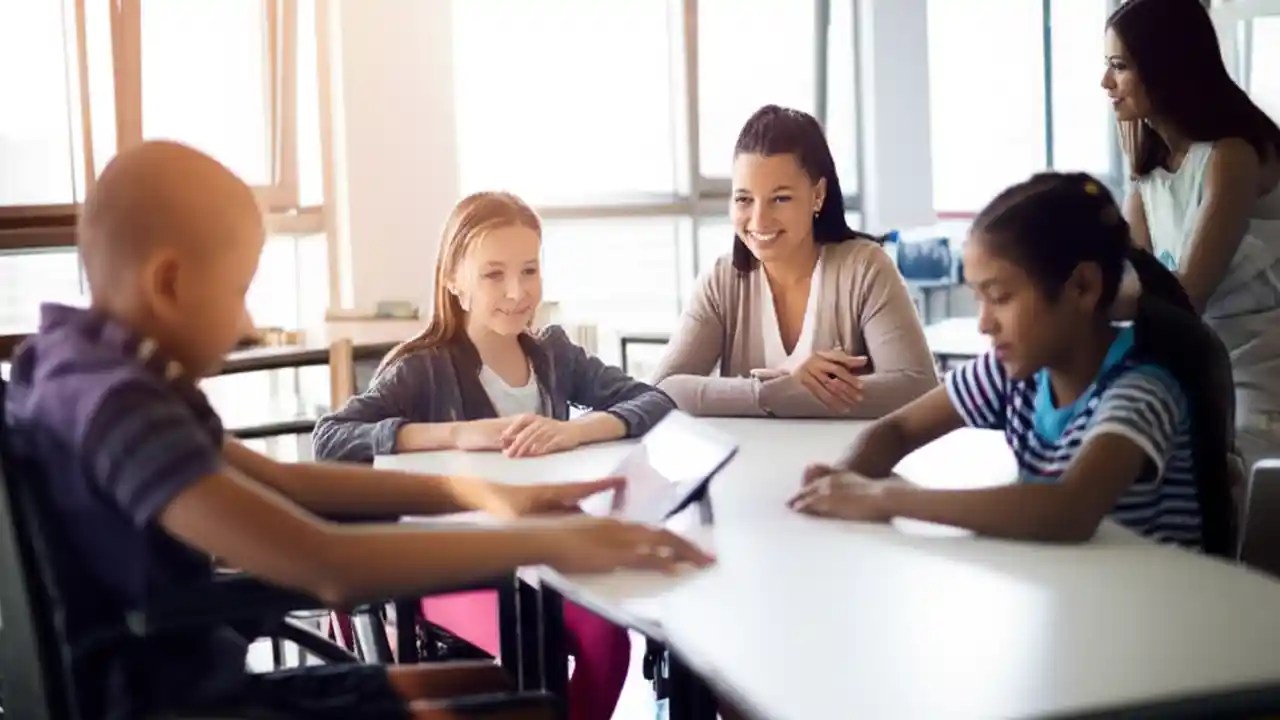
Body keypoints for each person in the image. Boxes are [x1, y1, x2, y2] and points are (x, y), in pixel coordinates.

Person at [2, 141, 710, 720]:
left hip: (169, 685)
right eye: (241, 288)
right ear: (169, 282)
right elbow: (323, 564)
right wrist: (558, 539)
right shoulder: (122, 409)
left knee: (490, 692)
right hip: (177, 705)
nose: (247, 324)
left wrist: (493, 497)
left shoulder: (70, 368)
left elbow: (284, 481)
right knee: (523, 711)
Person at [313, 191, 674, 720]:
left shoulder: (553, 354)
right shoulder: (424, 368)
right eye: (493, 275)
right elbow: (331, 437)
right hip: (460, 571)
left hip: (544, 555)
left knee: (608, 640)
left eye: (530, 270)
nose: (516, 291)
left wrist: (574, 432)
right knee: (527, 647)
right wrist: (455, 435)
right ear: (454, 282)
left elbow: (655, 400)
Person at [790, 173, 1206, 549]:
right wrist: (841, 481)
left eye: (1000, 297)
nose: (985, 324)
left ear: (1082, 287)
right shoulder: (1013, 372)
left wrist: (883, 498)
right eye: (978, 298)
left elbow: (1070, 511)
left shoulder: (1140, 388)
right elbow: (896, 430)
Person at [650, 105, 937, 418]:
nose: (759, 220)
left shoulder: (865, 269)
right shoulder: (723, 280)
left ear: (818, 196)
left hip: (843, 463)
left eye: (780, 198)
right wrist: (778, 389)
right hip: (748, 462)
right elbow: (663, 389)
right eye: (744, 199)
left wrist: (796, 395)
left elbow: (917, 389)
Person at [1104, 0, 1280, 472]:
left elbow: (1183, 298)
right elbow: (1136, 277)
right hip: (1202, 366)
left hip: (1259, 377)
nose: (1106, 84)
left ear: (1167, 67)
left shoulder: (1232, 156)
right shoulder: (1152, 170)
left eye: (1119, 67)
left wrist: (1075, 305)